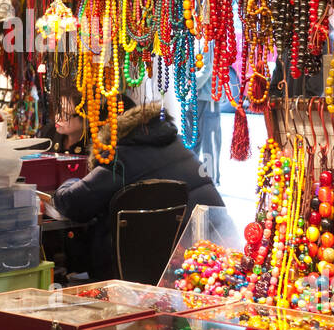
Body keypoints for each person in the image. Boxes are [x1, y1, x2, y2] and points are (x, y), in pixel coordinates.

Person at [53, 98, 223, 281]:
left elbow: (73, 202)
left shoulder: (121, 156)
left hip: (144, 267)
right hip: (207, 253)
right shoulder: (178, 145)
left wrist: (67, 182)